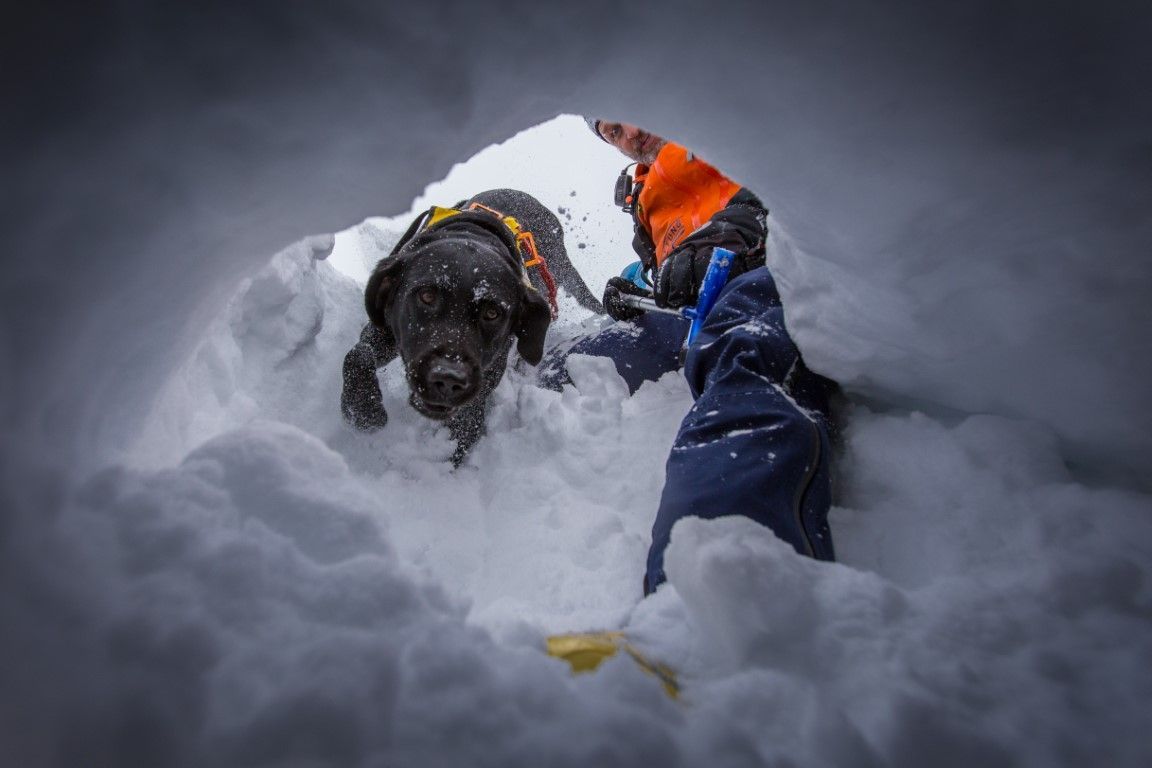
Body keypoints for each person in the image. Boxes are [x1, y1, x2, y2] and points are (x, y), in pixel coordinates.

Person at [545, 119, 838, 595]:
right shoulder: (642, 192)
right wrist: (635, 289)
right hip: (683, 314)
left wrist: (748, 218)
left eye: (624, 118)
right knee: (569, 370)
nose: (627, 136)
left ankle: (721, 595)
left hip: (760, 278)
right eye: (611, 134)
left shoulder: (719, 121)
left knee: (746, 361)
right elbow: (670, 264)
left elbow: (801, 160)